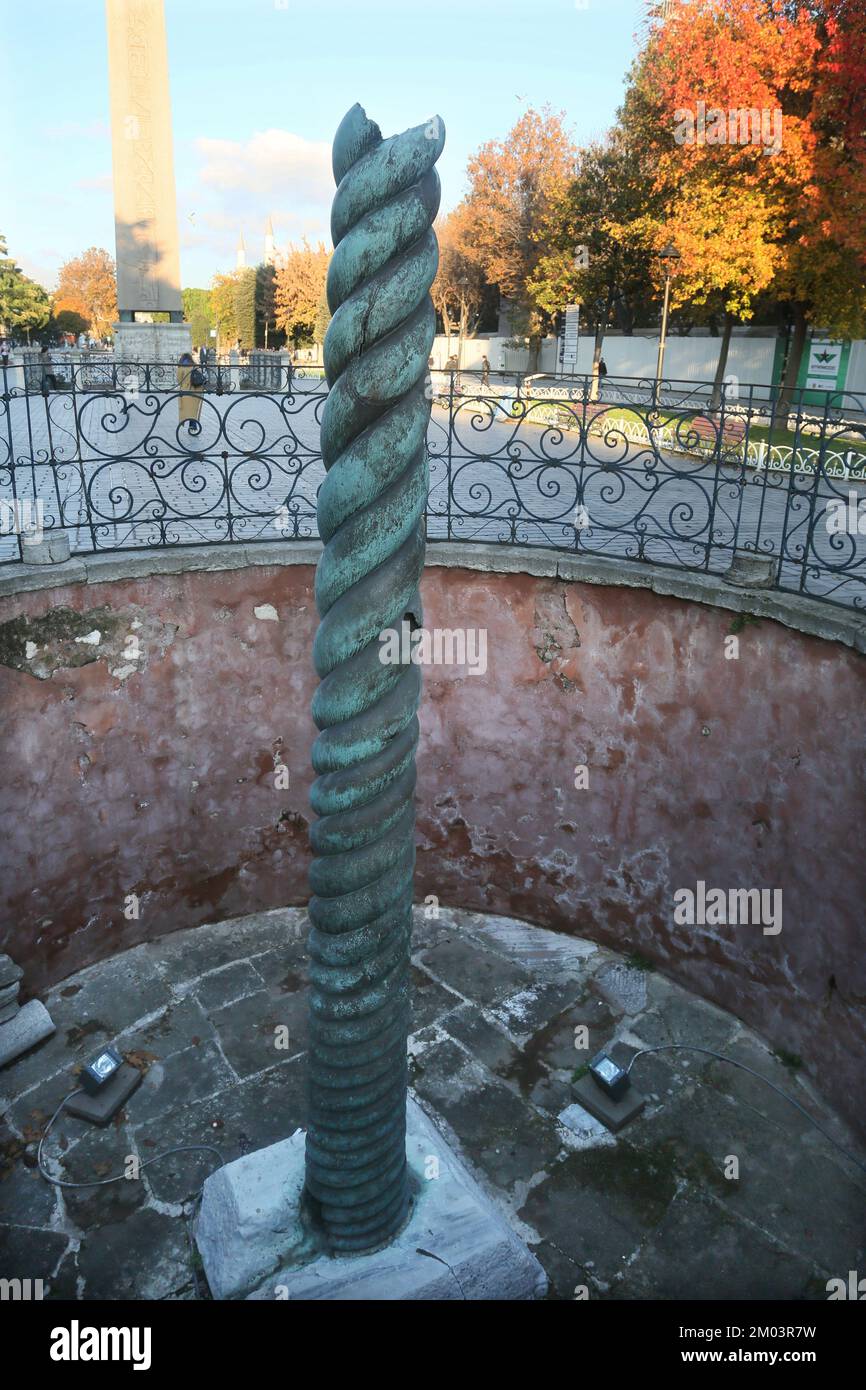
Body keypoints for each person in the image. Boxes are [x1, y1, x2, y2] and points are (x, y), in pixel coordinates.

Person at [177, 351, 204, 434]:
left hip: (185, 391)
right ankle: (193, 426)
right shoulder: (196, 366)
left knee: (185, 410)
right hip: (197, 391)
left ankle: (186, 423)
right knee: (193, 410)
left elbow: (179, 380)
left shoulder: (180, 367)